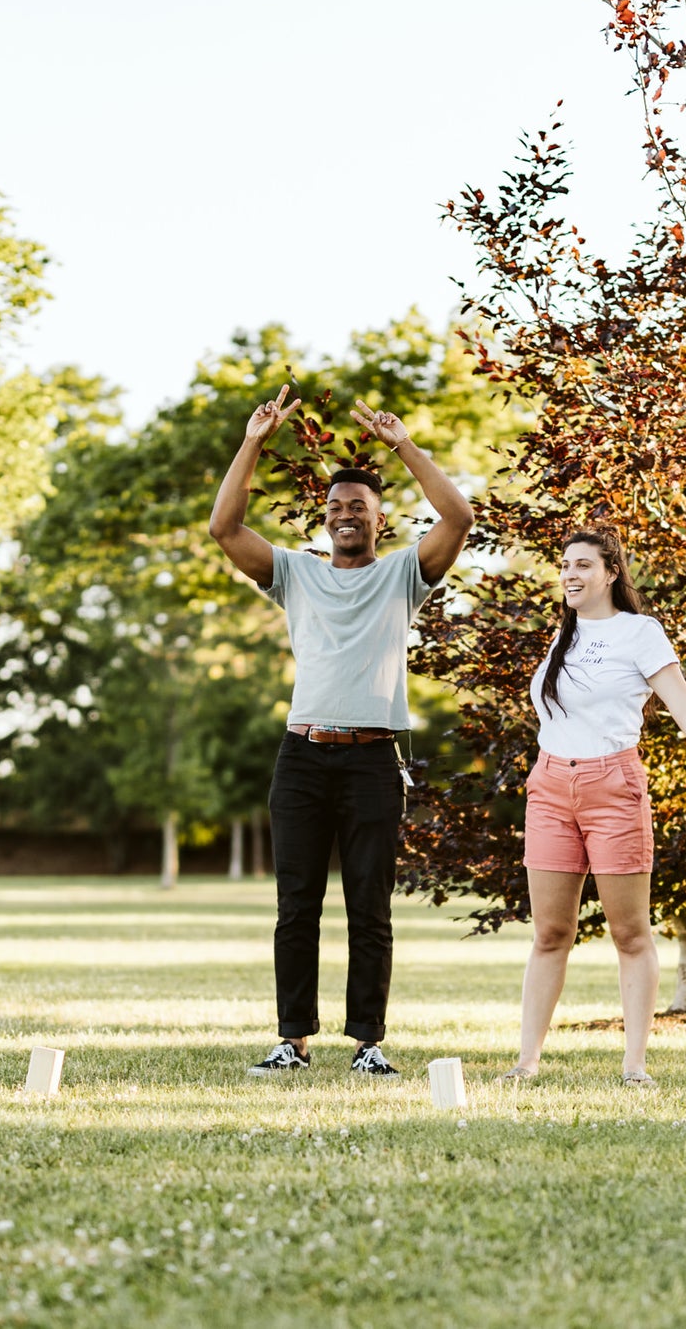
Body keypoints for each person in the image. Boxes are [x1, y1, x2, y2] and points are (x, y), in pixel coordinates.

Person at [208, 387, 475, 1077]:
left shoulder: (401, 576)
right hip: (301, 755)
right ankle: (291, 1041)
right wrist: (254, 442)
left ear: (380, 522)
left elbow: (459, 515)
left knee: (369, 906)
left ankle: (368, 1044)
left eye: (358, 507)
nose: (345, 515)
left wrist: (403, 447)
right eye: (335, 509)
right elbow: (224, 529)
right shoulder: (295, 573)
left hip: (372, 760)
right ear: (324, 522)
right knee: (296, 905)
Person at [501, 528, 686, 1087]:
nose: (569, 575)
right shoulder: (563, 635)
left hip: (612, 787)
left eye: (582, 566)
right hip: (549, 787)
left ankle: (635, 1066)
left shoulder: (640, 633)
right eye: (564, 565)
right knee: (549, 933)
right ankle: (525, 1063)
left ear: (612, 572)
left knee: (629, 933)